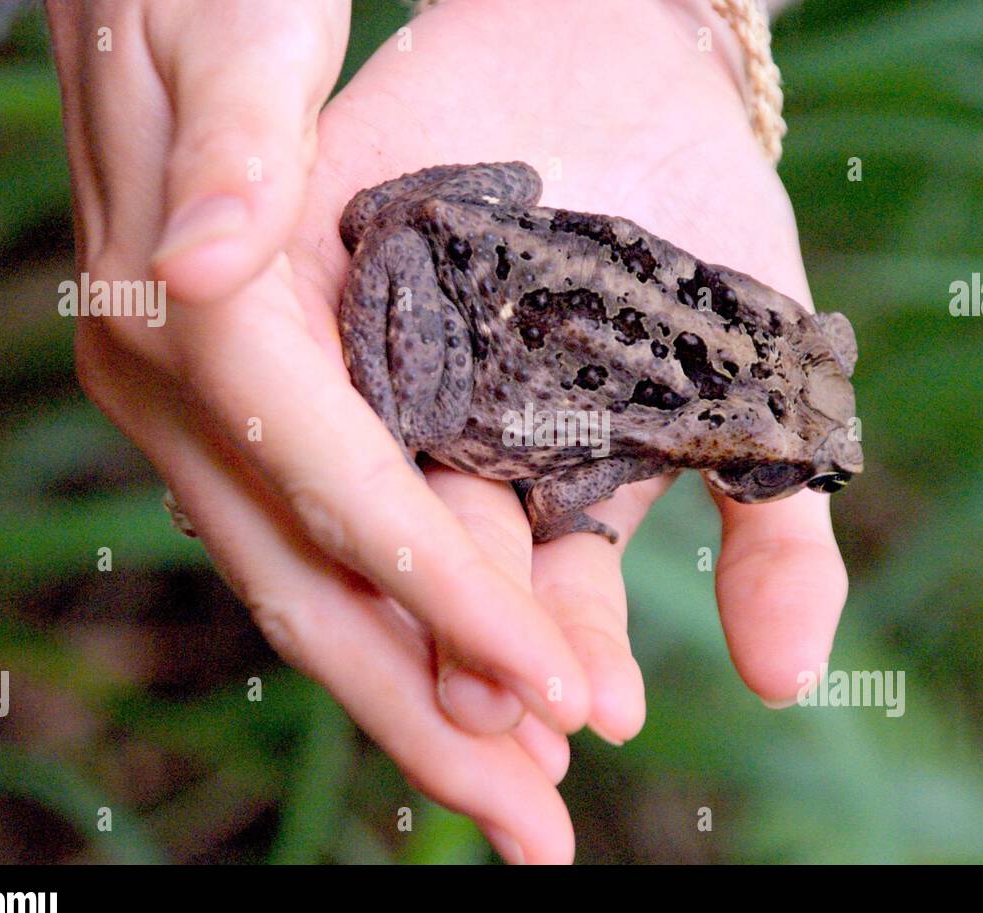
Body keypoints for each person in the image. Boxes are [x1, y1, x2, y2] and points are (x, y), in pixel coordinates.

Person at [47, 0, 848, 864]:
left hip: (473, 217)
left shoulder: (709, 325)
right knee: (419, 426)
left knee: (517, 199)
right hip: (444, 290)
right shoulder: (643, 441)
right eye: (786, 462)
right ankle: (380, 413)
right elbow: (547, 497)